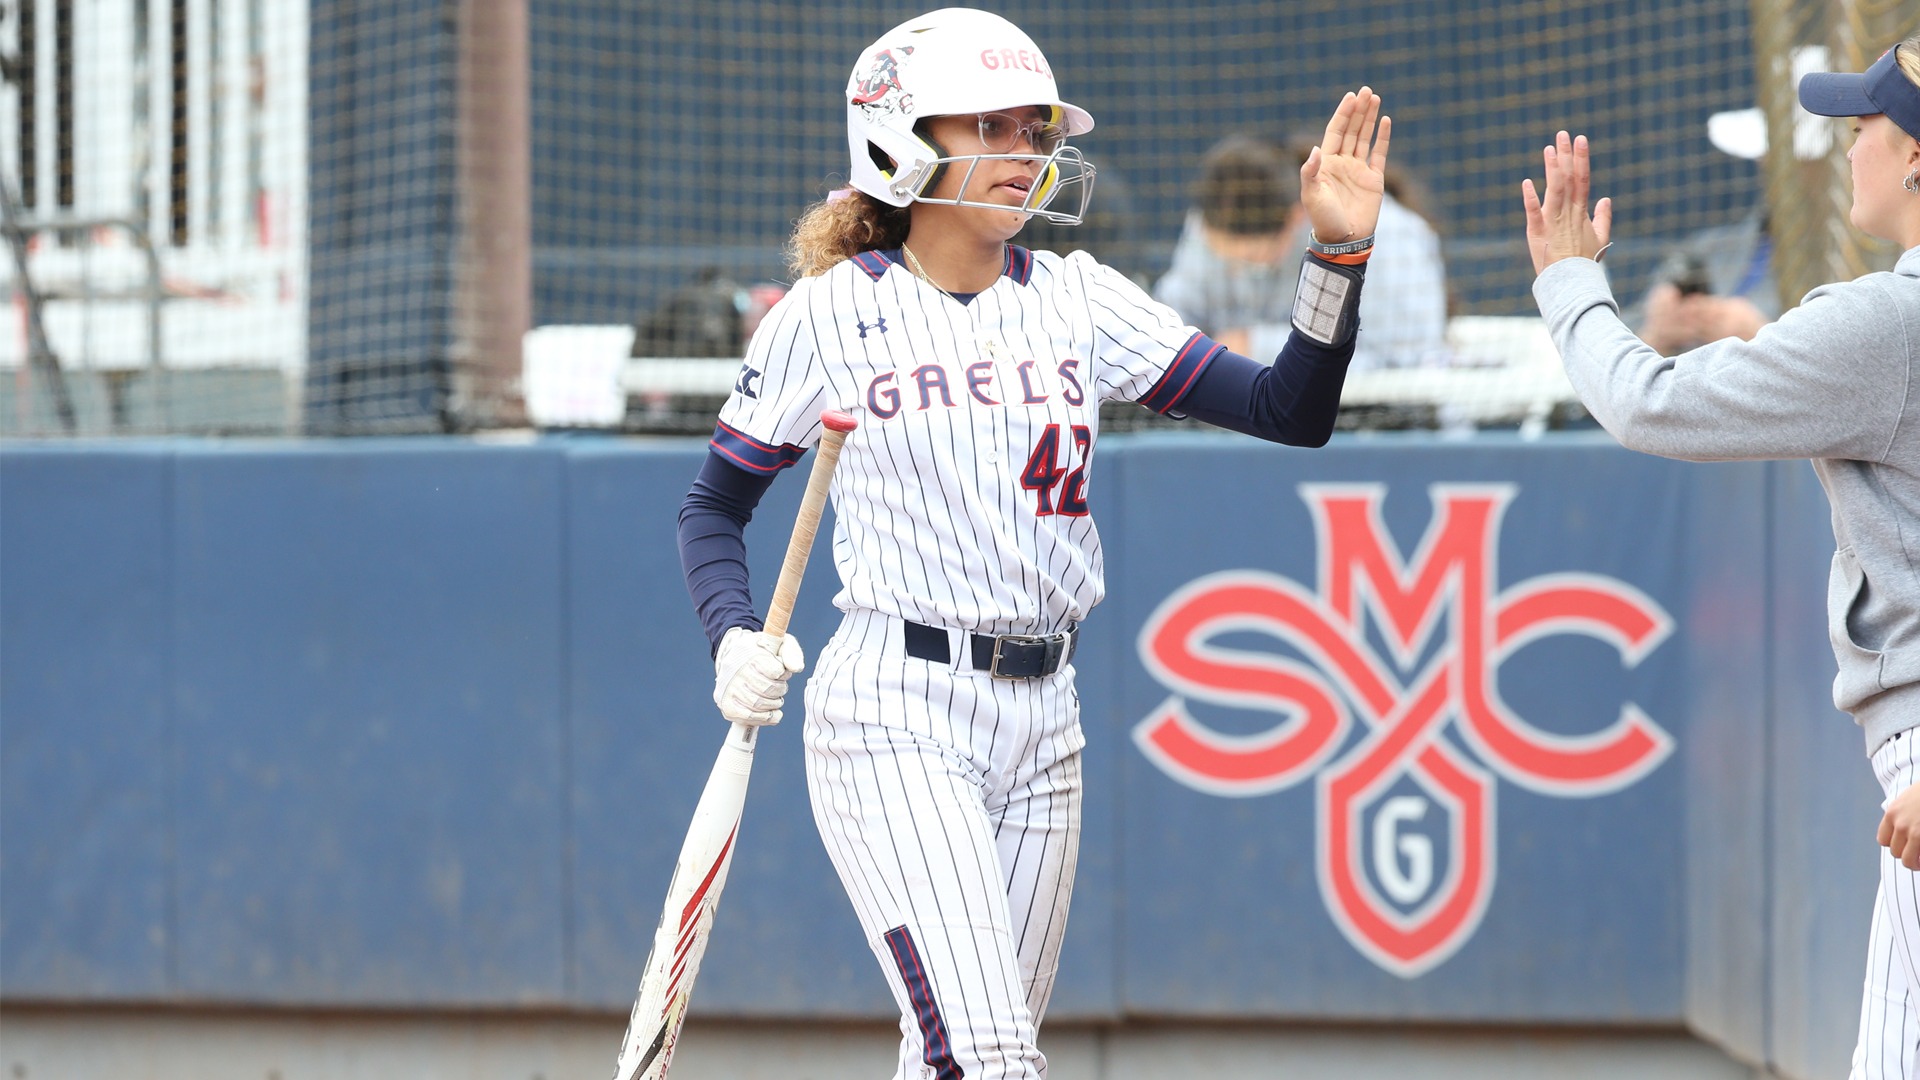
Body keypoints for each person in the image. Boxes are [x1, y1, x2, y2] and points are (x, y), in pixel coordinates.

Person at [676, 8, 1390, 1077]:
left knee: (953, 1061)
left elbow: (1294, 409)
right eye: (994, 128)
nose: (1027, 155)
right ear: (904, 137)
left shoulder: (1077, 297)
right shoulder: (825, 316)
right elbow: (713, 508)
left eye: (1038, 134)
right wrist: (733, 635)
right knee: (992, 1056)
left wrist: (1339, 250)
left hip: (1044, 718)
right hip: (895, 709)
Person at [1520, 36, 1920, 1078]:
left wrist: (1568, 283)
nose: (1852, 142)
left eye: (1869, 122)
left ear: (1919, 157)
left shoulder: (1891, 320)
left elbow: (1651, 403)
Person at [1154, 132, 1449, 370]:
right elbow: (1169, 323)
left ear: (1295, 218)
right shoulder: (1207, 223)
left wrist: (1256, 347)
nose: (1234, 269)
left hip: (1385, 429)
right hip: (1254, 424)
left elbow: (1404, 368)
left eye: (1251, 259)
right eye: (1223, 256)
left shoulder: (1387, 234)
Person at [1636, 46, 1832, 356]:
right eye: (1770, 156)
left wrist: (1761, 336)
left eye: (1795, 160)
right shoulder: (1706, 250)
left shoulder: (1866, 261)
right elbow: (1605, 373)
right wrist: (1655, 336)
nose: (1766, 164)